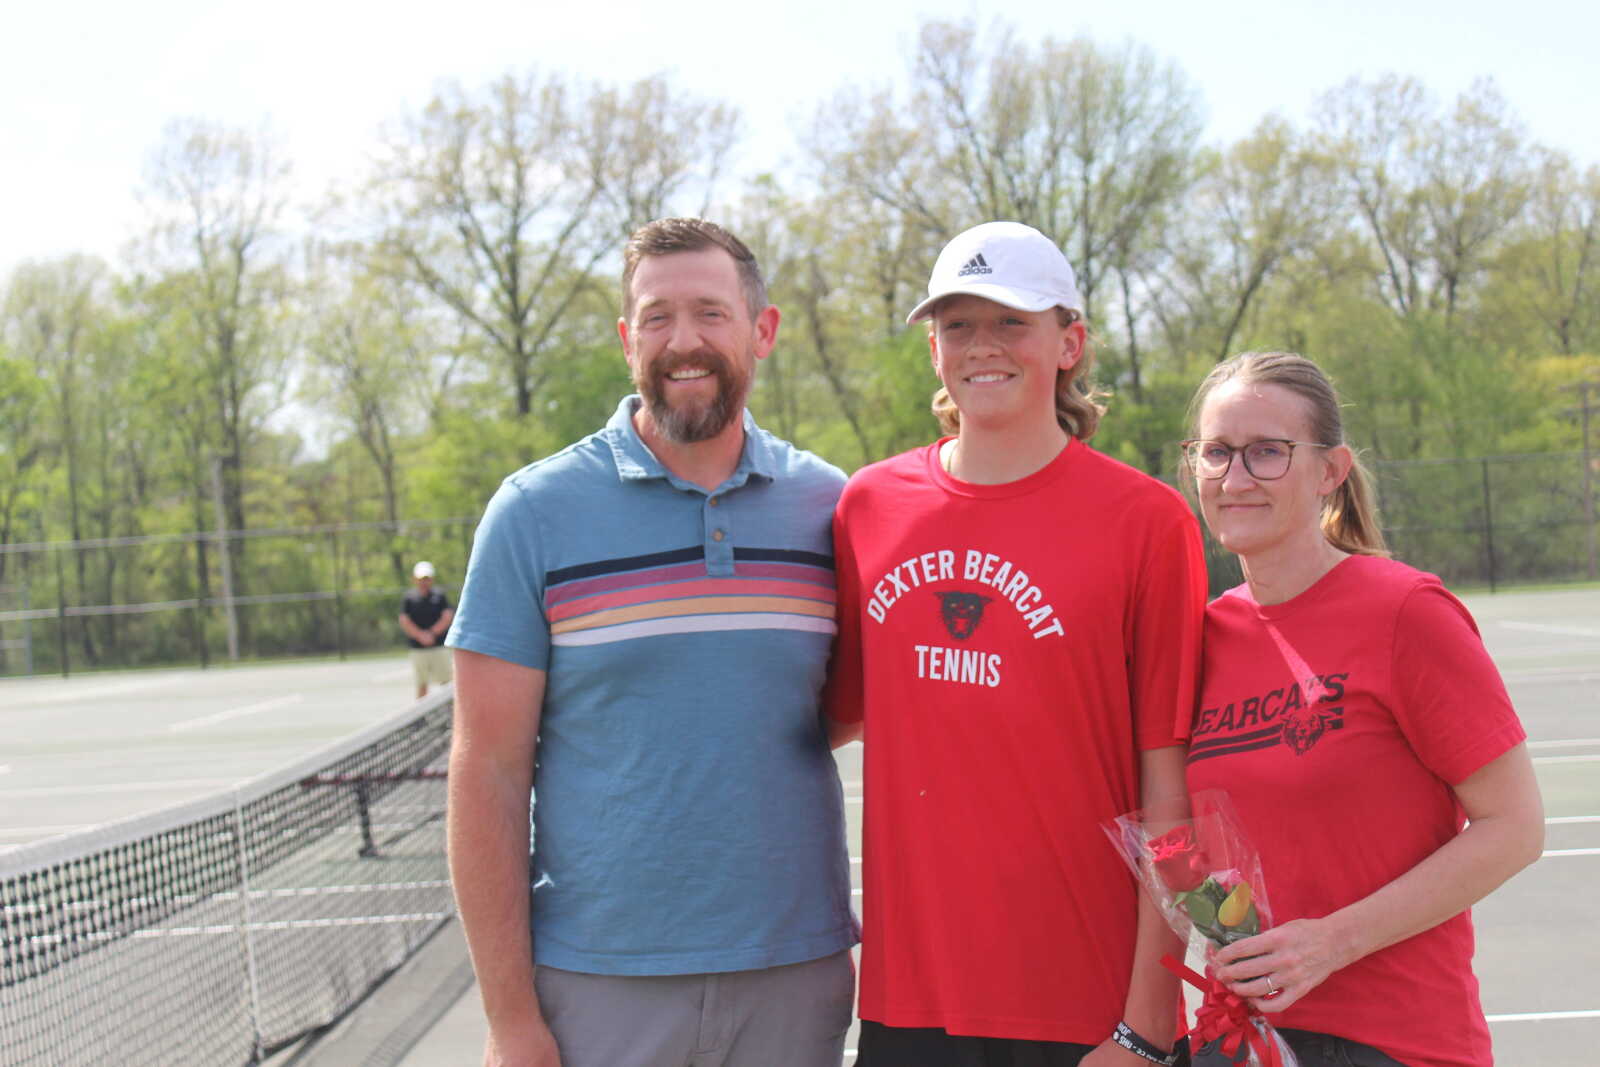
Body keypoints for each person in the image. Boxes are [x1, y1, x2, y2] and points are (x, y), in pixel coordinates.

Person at [444, 217, 858, 1067]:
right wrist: (510, 1017)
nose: (683, 341)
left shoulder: (834, 506)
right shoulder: (532, 514)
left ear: (763, 330)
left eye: (710, 312)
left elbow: (848, 709)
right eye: (657, 317)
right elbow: (487, 772)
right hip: (598, 988)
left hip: (795, 975)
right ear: (628, 340)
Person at [826, 220, 1207, 1066]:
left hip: (1090, 1011)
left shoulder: (1148, 522)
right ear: (933, 348)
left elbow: (1170, 792)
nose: (982, 345)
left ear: (1071, 343)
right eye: (958, 324)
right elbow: (827, 714)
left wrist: (1148, 1021)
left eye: (1011, 321)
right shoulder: (867, 506)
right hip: (910, 1004)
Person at [1181, 351, 1545, 1067]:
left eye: (1267, 452)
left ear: (1331, 470)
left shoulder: (1406, 612)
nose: (1236, 477)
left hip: (1394, 1042)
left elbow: (1515, 827)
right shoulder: (1202, 637)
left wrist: (1331, 942)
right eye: (1216, 452)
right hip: (1242, 1038)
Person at [400, 560, 454, 698]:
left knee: (446, 683)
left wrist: (431, 634)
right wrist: (420, 635)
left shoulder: (440, 596)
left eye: (427, 578)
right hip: (418, 649)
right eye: (421, 579)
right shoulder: (409, 598)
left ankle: (450, 710)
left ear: (432, 579)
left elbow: (447, 616)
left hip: (439, 647)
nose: (424, 582)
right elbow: (405, 620)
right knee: (422, 684)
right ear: (415, 579)